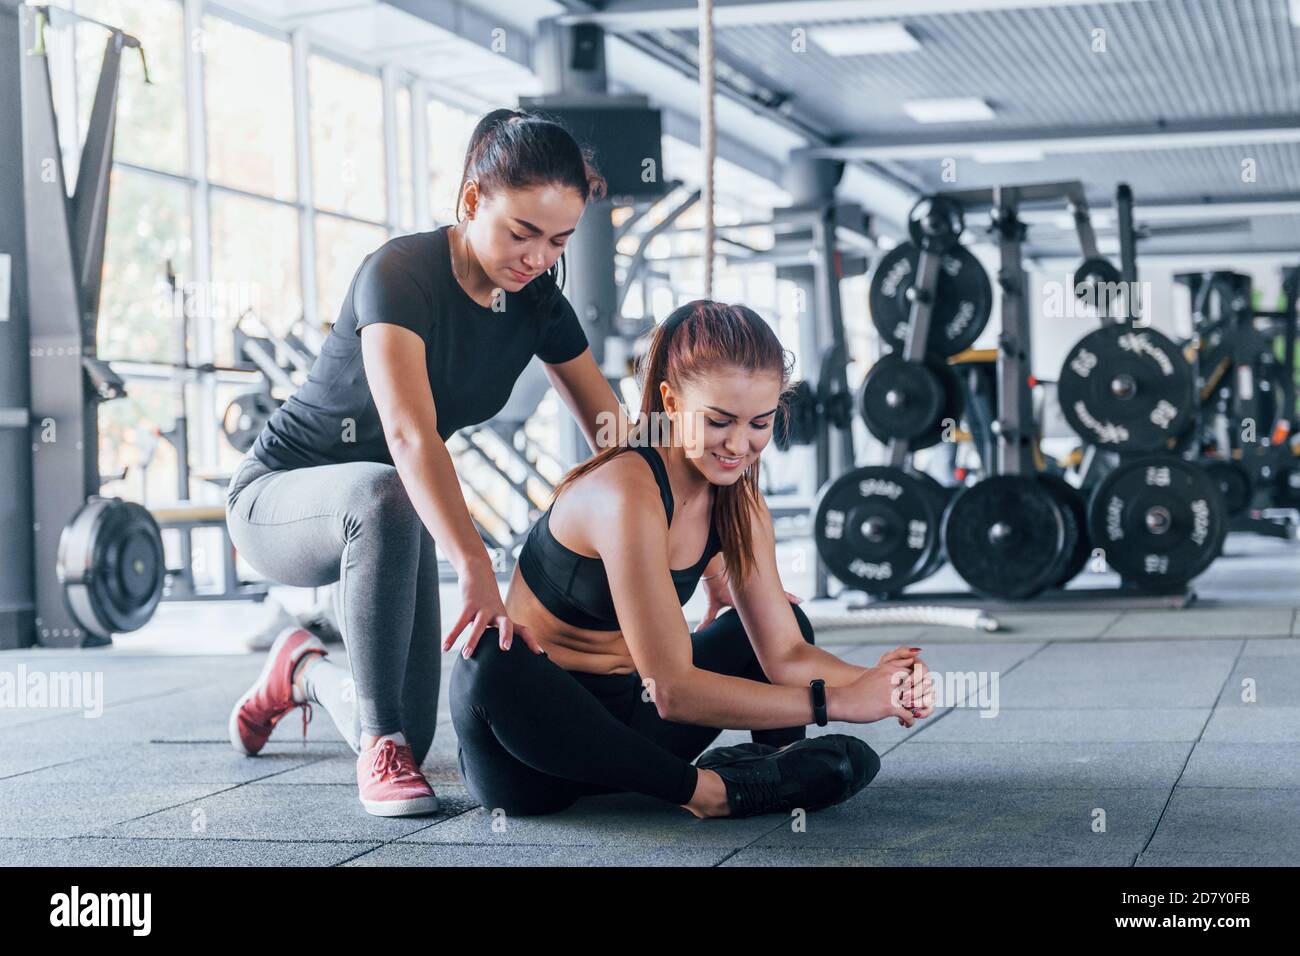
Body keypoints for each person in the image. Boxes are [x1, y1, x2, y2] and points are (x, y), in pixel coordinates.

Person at [224, 108, 636, 818]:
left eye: (559, 239)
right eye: (521, 233)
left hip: (388, 516)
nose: (538, 257)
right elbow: (411, 438)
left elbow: (612, 431)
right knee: (385, 497)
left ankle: (302, 669)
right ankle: (378, 746)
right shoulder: (399, 274)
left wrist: (705, 535)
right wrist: (478, 570)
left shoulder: (536, 301)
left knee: (413, 726)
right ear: (473, 201)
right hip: (276, 502)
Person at [451, 300, 935, 819]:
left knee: (780, 620)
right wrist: (833, 702)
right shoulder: (626, 491)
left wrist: (877, 682)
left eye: (760, 423)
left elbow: (785, 655)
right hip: (537, 754)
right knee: (489, 660)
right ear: (671, 401)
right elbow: (674, 691)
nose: (739, 444)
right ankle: (712, 792)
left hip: (636, 730)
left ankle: (771, 766)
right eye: (720, 421)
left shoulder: (741, 503)